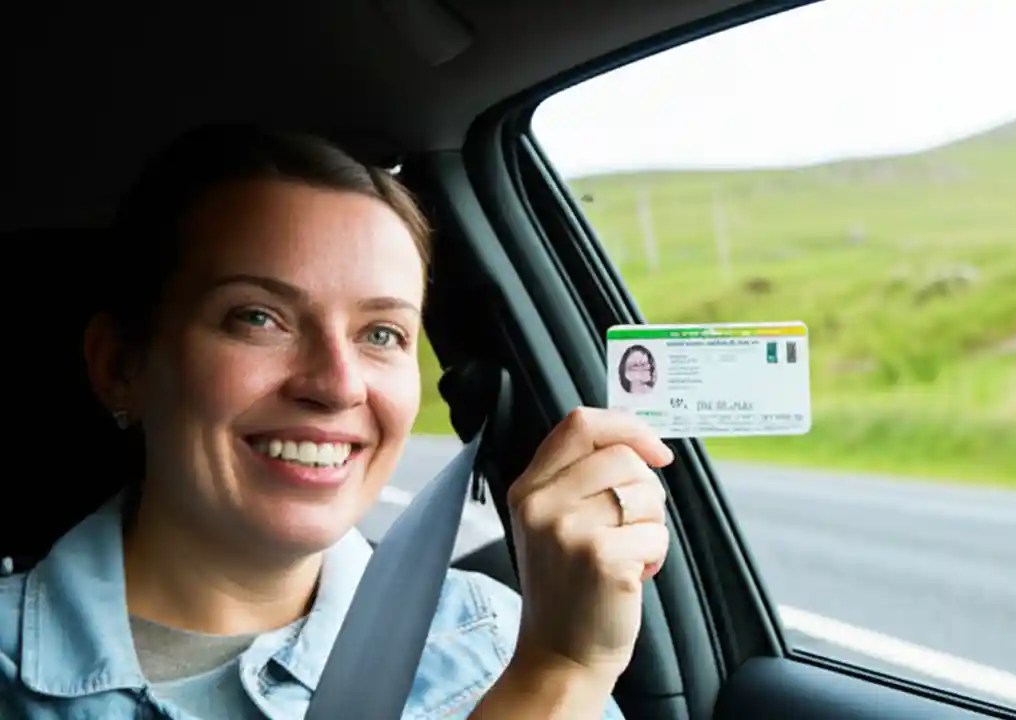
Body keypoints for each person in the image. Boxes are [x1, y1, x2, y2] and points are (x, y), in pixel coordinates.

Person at [0, 124, 673, 719]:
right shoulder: (542, 664)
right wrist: (554, 683)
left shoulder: (494, 639)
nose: (338, 385)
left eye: (382, 334)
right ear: (122, 366)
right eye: (258, 317)